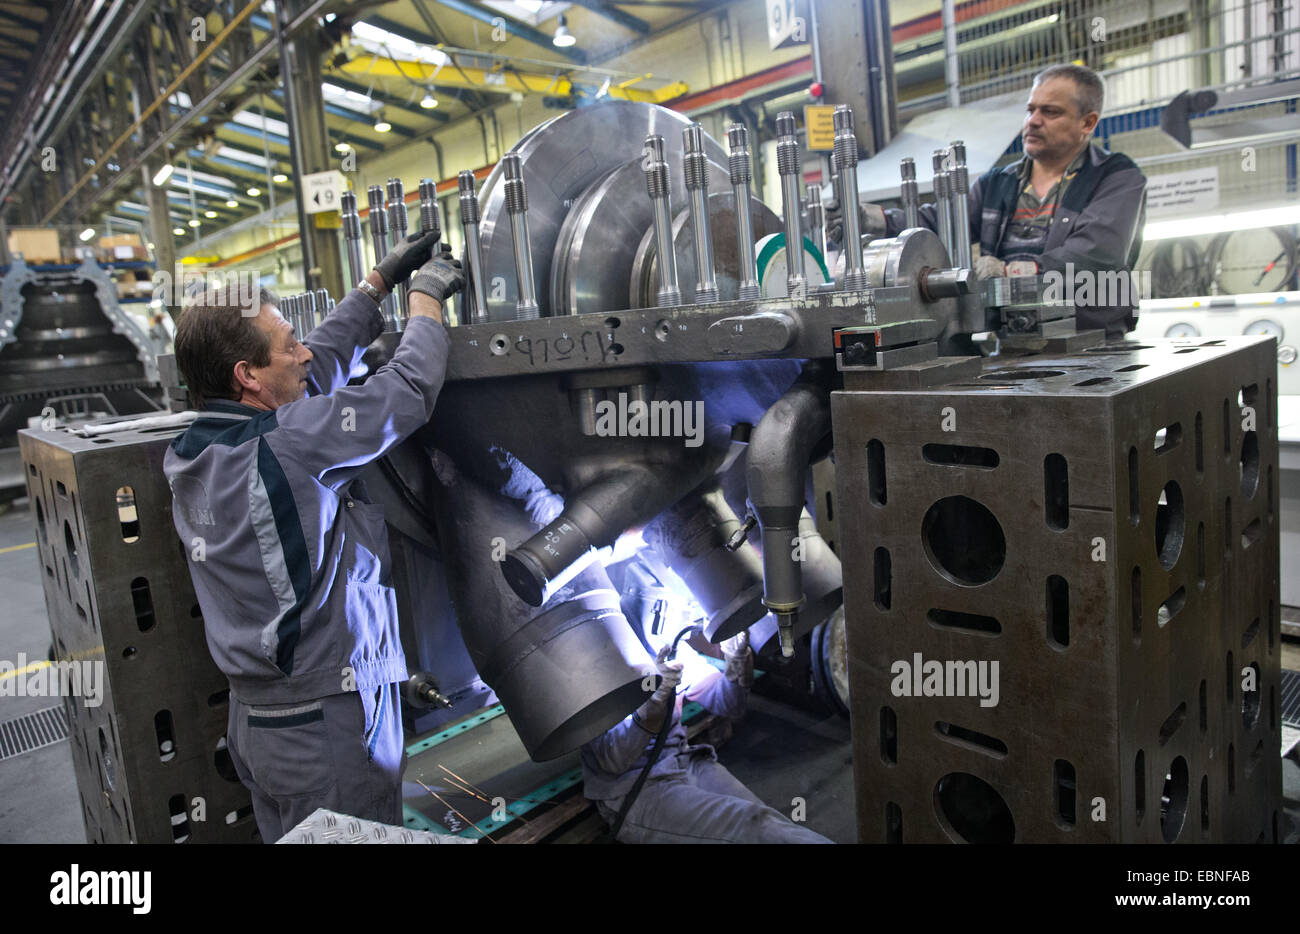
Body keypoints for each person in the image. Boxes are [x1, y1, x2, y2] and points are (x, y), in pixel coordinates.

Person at [164, 229, 464, 842]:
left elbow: (318, 367)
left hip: (260, 725)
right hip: (326, 727)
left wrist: (374, 285)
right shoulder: (292, 442)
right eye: (287, 345)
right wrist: (426, 301)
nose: (302, 353)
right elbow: (406, 390)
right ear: (247, 375)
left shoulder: (194, 451)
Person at [830, 63, 1148, 338]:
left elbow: (1097, 254)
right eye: (1030, 109)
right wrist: (876, 220)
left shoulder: (1115, 177)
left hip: (1091, 340)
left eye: (1050, 112)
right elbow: (941, 223)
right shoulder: (999, 182)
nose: (1033, 121)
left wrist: (1012, 271)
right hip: (1013, 336)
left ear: (1088, 123)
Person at [581, 630, 833, 844]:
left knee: (765, 822)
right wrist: (653, 704)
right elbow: (613, 761)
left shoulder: (661, 642)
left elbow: (730, 705)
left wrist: (737, 658)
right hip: (634, 788)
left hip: (684, 762)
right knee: (756, 828)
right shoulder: (596, 666)